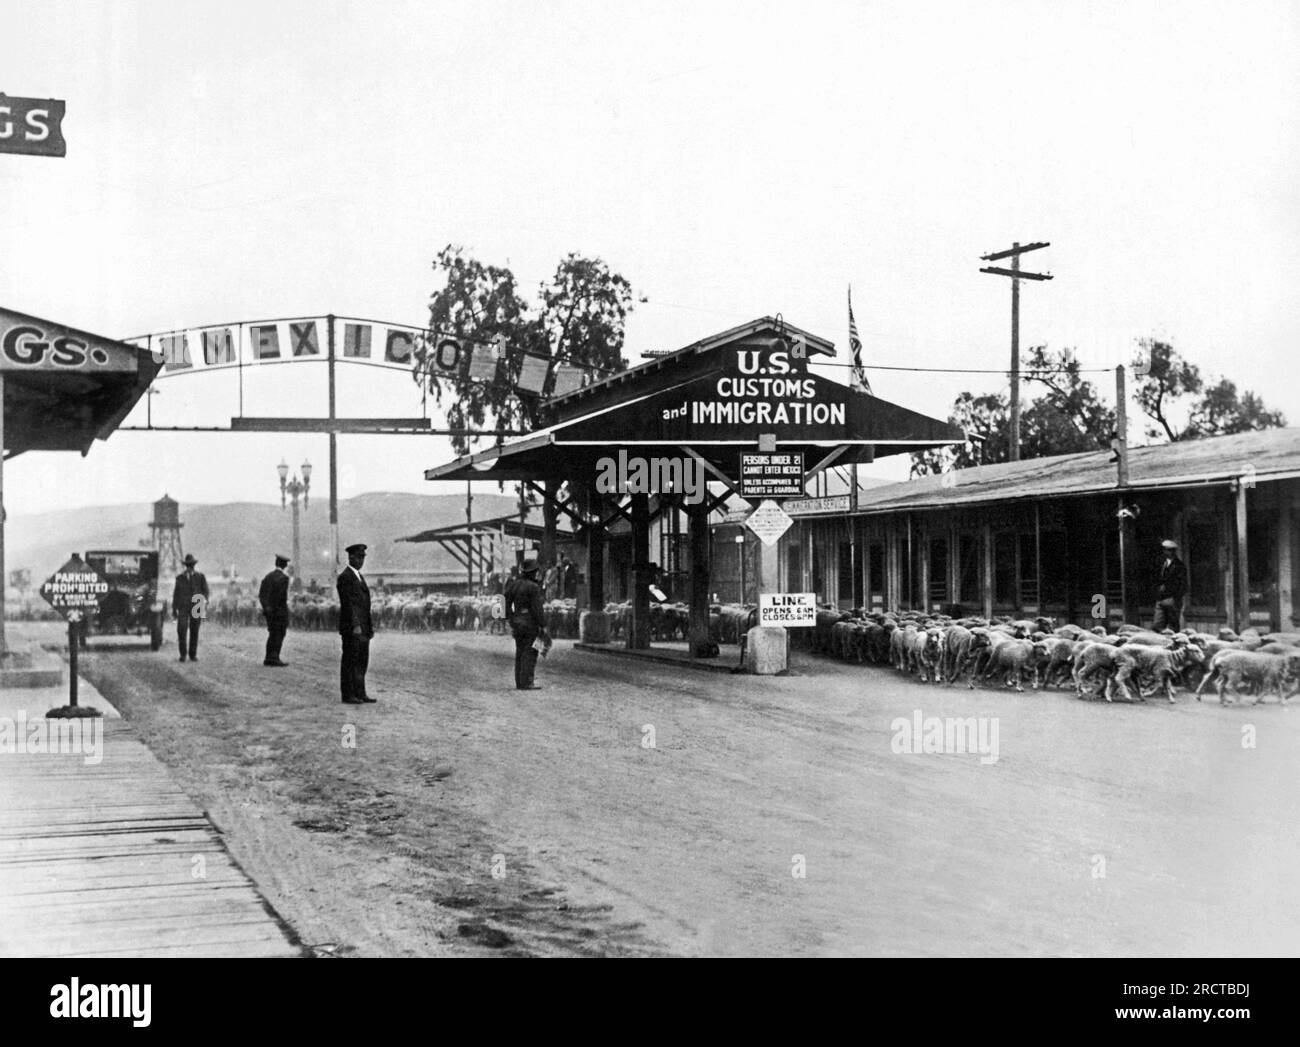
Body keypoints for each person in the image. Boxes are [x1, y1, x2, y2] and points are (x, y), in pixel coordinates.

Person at [337, 543, 375, 704]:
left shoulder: (359, 577)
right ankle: (348, 694)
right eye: (358, 557)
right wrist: (355, 625)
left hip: (363, 627)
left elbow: (365, 606)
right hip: (353, 628)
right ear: (350, 557)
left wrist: (369, 626)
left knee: (361, 661)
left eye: (362, 558)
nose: (361, 561)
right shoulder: (345, 577)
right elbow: (348, 604)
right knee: (350, 661)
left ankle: (360, 692)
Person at [504, 558, 548, 690]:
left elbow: (503, 602)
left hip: (517, 623)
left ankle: (519, 682)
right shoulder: (533, 587)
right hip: (530, 624)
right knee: (530, 652)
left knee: (520, 651)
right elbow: (537, 608)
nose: (536, 574)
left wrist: (510, 618)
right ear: (531, 573)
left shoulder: (513, 585)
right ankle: (527, 682)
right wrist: (543, 624)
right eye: (535, 571)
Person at [172, 554, 209, 662]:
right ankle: (183, 654)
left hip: (196, 606)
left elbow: (205, 591)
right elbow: (176, 594)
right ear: (185, 566)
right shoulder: (180, 578)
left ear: (194, 566)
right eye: (188, 565)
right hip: (183, 606)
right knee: (181, 630)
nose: (189, 567)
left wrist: (203, 604)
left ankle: (192, 654)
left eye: (191, 565)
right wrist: (174, 609)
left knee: (194, 630)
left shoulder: (200, 577)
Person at [259, 554, 291, 666]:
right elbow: (282, 597)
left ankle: (268, 657)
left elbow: (262, 595)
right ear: (284, 565)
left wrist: (267, 608)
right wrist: (281, 611)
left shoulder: (268, 577)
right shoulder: (284, 578)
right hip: (279, 612)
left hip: (269, 613)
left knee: (272, 634)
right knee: (279, 634)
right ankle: (274, 658)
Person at [1153, 538, 1187, 631]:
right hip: (1160, 598)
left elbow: (1183, 584)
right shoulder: (1161, 564)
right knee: (1157, 625)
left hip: (1172, 599)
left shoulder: (1179, 566)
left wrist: (1175, 597)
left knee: (1173, 625)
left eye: (1170, 550)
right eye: (1166, 550)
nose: (1167, 552)